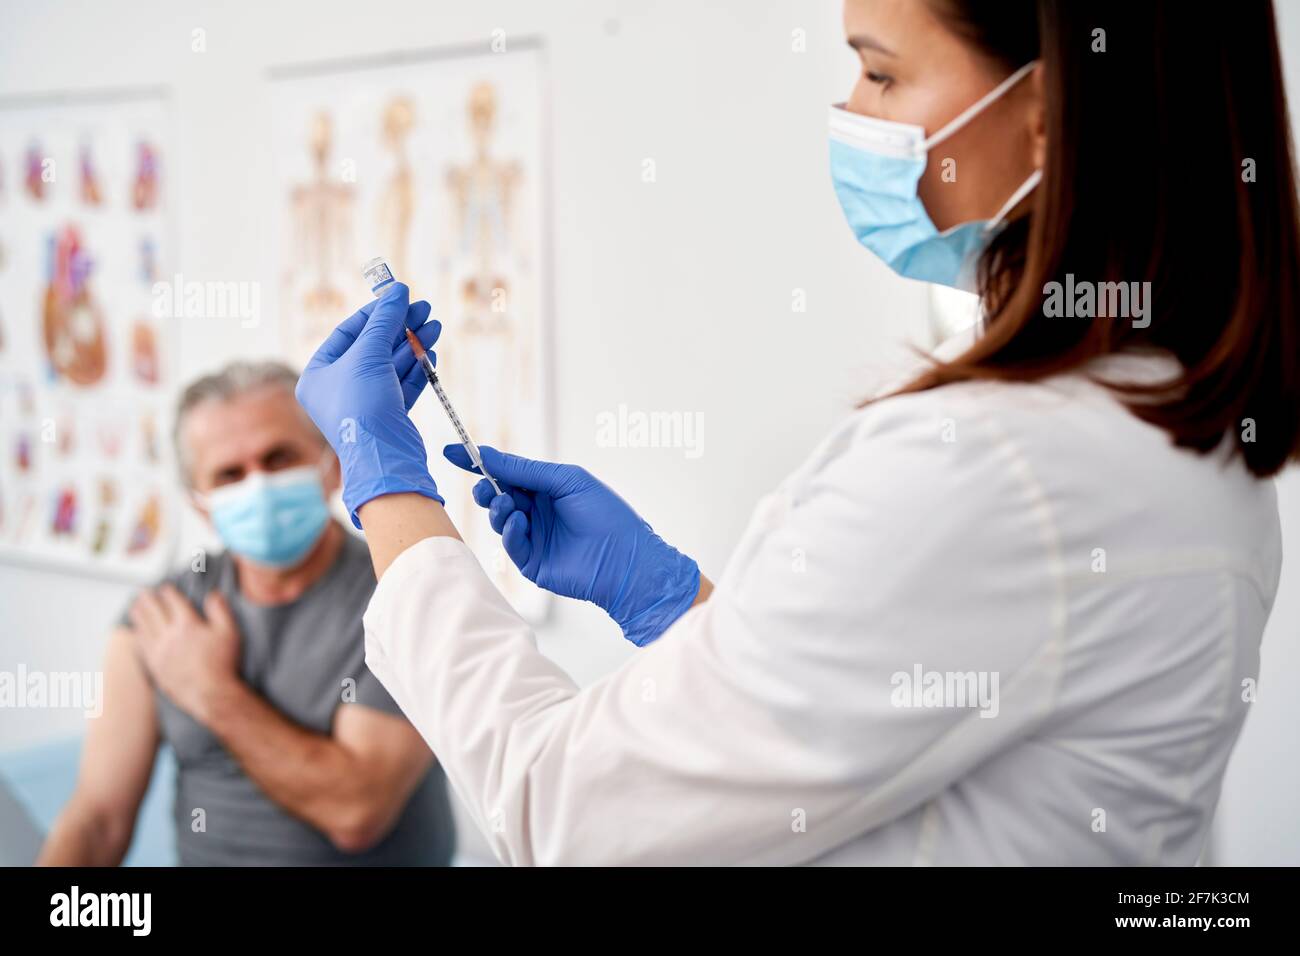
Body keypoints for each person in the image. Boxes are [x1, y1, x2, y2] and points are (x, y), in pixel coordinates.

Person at [295, 0, 1300, 865]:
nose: (850, 114)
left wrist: (386, 484)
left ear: (1046, 119)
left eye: (880, 72)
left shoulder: (999, 463)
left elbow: (567, 812)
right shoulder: (1172, 432)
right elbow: (879, 749)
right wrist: (673, 604)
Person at [39, 360, 455, 866]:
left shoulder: (403, 593)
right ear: (200, 503)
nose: (257, 486)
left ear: (331, 465)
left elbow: (356, 810)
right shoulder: (160, 617)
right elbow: (100, 819)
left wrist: (210, 691)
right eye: (229, 474)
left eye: (278, 459)